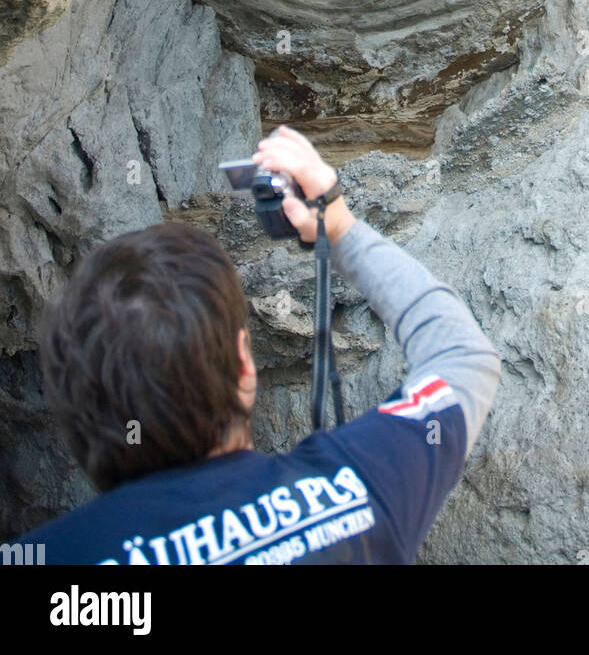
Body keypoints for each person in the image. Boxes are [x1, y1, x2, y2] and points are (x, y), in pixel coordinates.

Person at [16, 127, 501, 565]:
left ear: (69, 411)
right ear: (245, 366)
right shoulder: (355, 494)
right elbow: (461, 355)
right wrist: (339, 227)